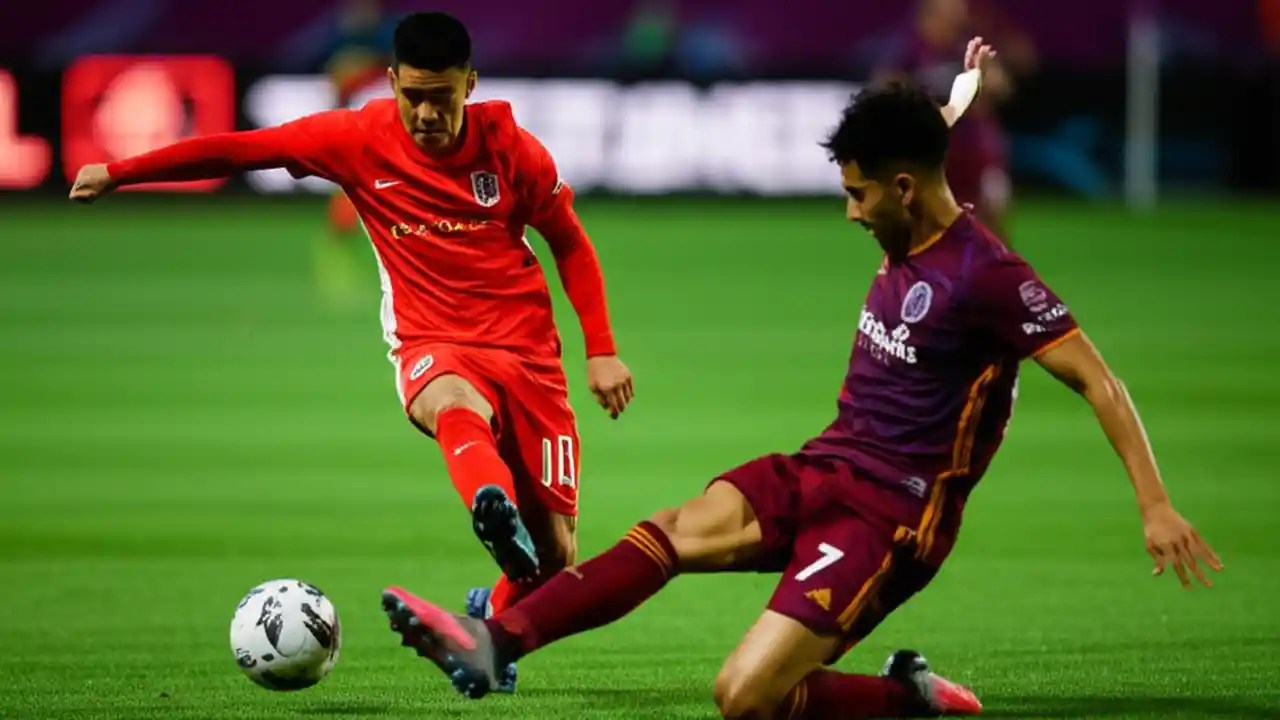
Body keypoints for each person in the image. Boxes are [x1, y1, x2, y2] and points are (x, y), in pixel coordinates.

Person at [378, 38, 1222, 718]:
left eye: (858, 196)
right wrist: (961, 92)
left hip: (894, 517)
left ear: (902, 188)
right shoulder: (913, 189)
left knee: (744, 698)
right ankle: (495, 646)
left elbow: (1098, 381)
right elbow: (933, 126)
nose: (850, 212)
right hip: (826, 465)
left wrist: (1154, 505)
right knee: (667, 531)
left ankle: (906, 698)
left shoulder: (988, 277)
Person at [68, 11, 636, 694]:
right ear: (392, 81)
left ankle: (487, 624)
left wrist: (600, 350)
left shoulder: (515, 150)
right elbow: (242, 149)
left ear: (470, 85)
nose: (427, 113)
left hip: (528, 354)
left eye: (443, 98)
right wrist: (120, 172)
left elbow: (568, 240)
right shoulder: (356, 138)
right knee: (455, 403)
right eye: (414, 96)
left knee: (554, 558)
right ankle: (487, 497)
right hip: (432, 341)